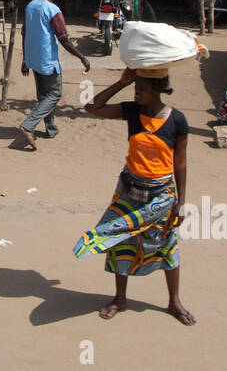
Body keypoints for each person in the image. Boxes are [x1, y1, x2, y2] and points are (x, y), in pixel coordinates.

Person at [76, 68, 194, 325]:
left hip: (161, 196)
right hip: (129, 190)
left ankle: (174, 302)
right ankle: (120, 298)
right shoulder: (131, 111)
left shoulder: (178, 121)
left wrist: (181, 203)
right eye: (135, 87)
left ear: (156, 89)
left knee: (167, 245)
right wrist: (121, 83)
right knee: (120, 243)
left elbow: (180, 164)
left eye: (141, 87)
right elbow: (92, 108)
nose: (136, 91)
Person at [19, 0, 90, 150]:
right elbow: (64, 39)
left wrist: (25, 59)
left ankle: (50, 129)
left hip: (34, 59)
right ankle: (28, 125)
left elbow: (24, 33)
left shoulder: (30, 6)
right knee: (54, 94)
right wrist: (82, 57)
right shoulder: (53, 10)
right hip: (47, 61)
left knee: (44, 96)